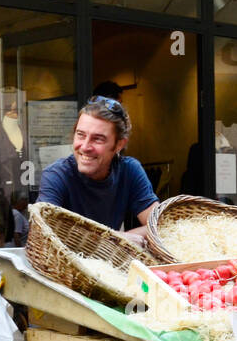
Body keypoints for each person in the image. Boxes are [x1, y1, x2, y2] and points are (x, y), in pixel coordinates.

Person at [36, 96, 157, 242]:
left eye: (97, 139)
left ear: (119, 145)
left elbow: (161, 226)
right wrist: (117, 239)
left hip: (106, 263)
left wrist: (117, 239)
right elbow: (42, 234)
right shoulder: (57, 175)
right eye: (80, 135)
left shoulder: (129, 170)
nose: (85, 147)